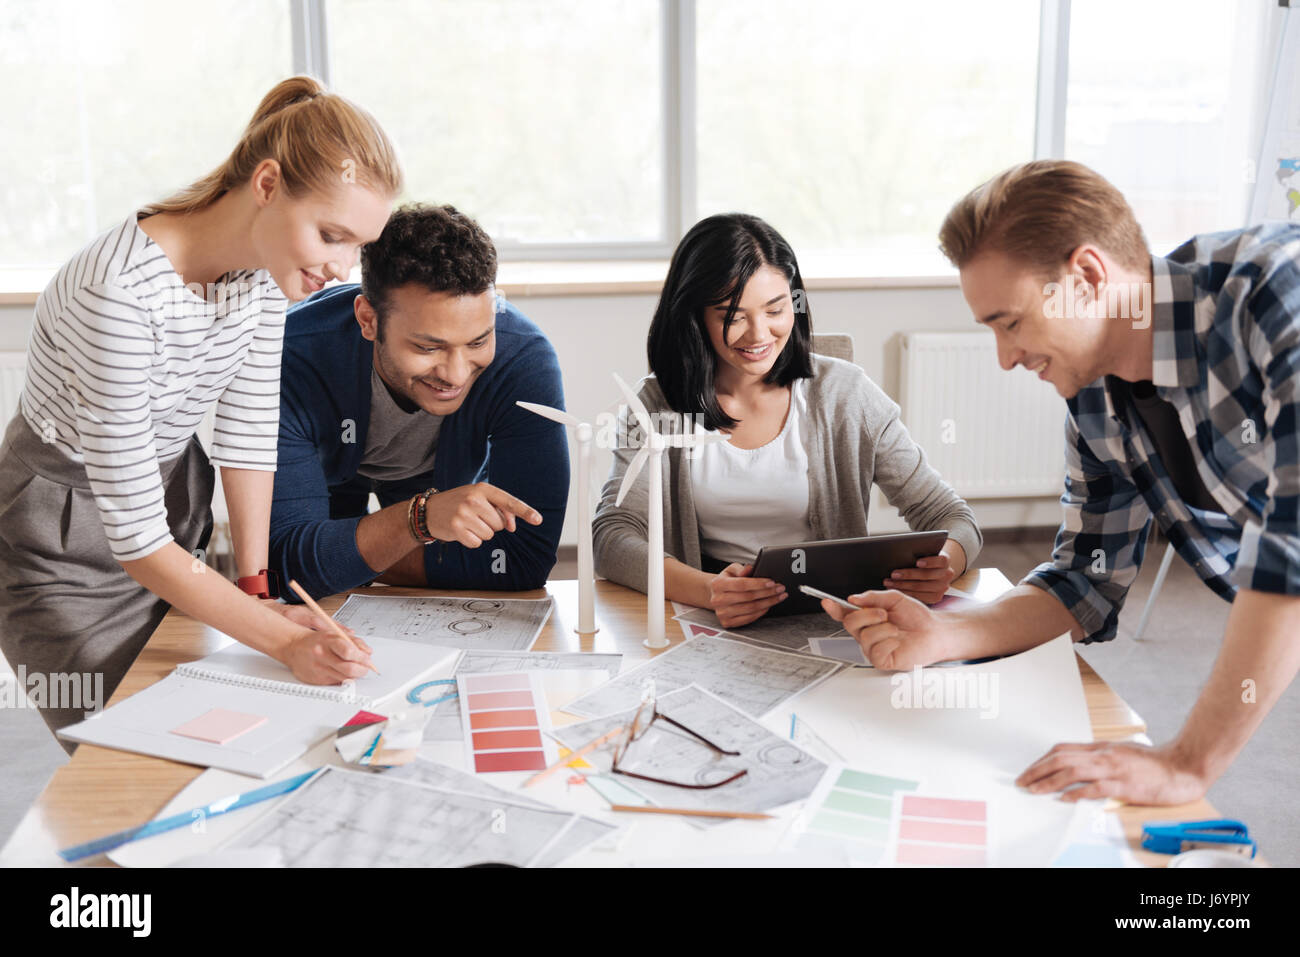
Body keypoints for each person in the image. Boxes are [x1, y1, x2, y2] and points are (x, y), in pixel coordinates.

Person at [823, 159, 1300, 805]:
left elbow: (1291, 547)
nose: (1005, 357)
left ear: (1086, 276)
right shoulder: (1095, 400)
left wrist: (1186, 763)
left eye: (1010, 321)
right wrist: (948, 634)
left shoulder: (1276, 291)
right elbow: (1084, 583)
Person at [0, 76, 401, 744]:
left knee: (212, 733)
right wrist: (280, 640)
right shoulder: (118, 295)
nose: (342, 266)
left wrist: (255, 589)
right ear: (267, 185)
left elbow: (246, 436)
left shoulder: (271, 273)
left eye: (357, 246)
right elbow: (136, 540)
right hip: (61, 543)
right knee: (127, 753)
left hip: (169, 512)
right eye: (332, 235)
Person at [593, 213, 981, 628]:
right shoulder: (655, 406)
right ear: (694, 317)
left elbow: (952, 517)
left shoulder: (846, 394)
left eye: (775, 310)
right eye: (733, 316)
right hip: (712, 617)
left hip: (831, 617)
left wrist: (945, 562)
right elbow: (613, 536)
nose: (759, 334)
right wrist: (708, 590)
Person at [267, 203, 568, 599]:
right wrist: (418, 521)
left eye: (478, 341)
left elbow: (521, 560)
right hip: (329, 477)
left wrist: (341, 556)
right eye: (428, 347)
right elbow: (287, 568)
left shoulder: (523, 361)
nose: (456, 374)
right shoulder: (288, 359)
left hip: (435, 485)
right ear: (368, 320)